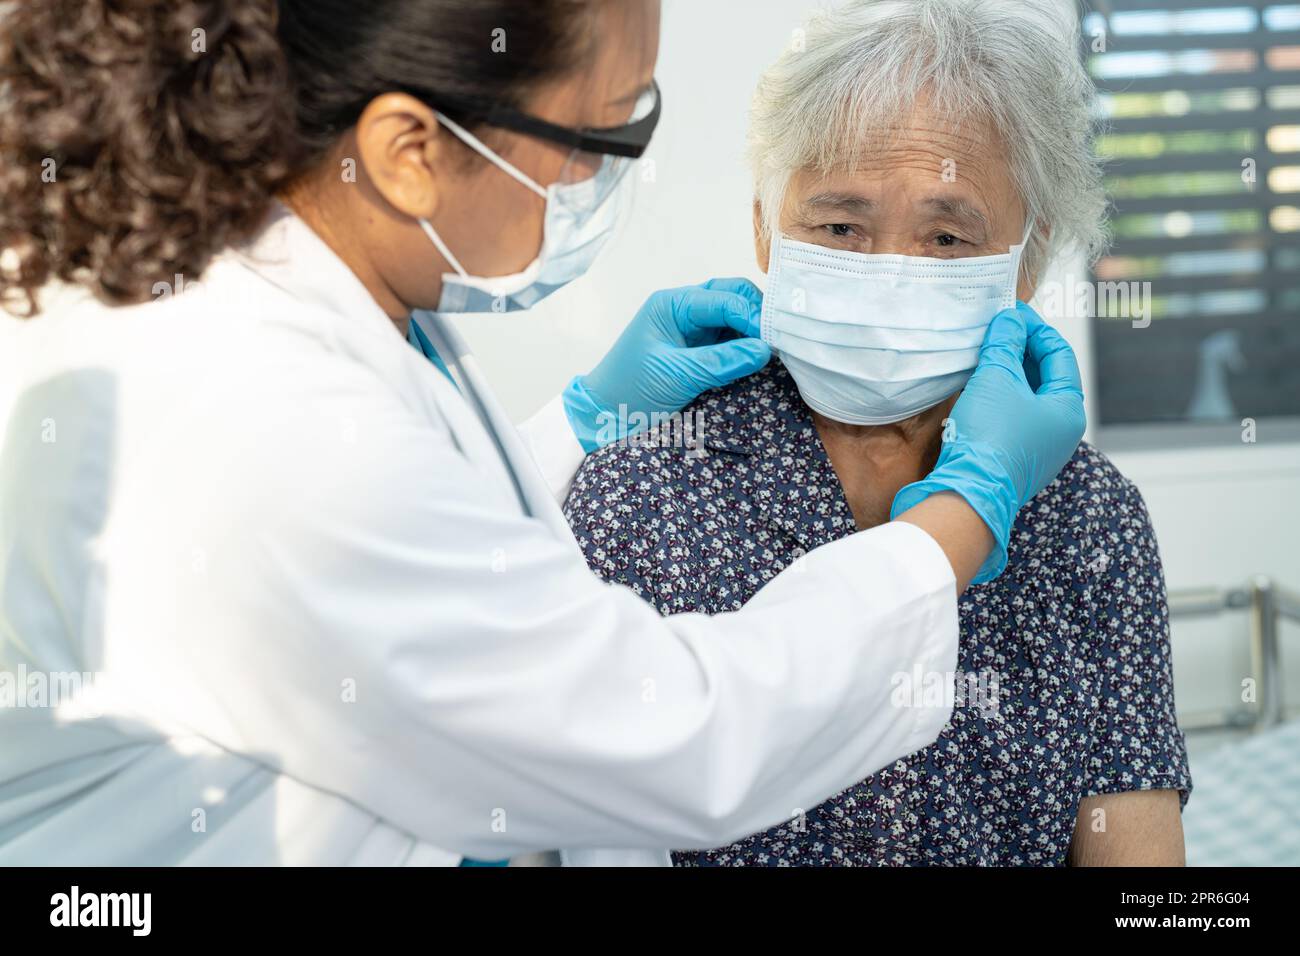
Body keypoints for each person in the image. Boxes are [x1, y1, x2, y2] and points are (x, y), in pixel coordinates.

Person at [0, 0, 1084, 865]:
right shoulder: (265, 412)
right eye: (600, 135)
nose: (599, 185)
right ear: (409, 149)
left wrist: (577, 422)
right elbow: (685, 736)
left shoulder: (332, 304)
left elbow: (438, 556)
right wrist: (962, 511)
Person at [562, 0, 1190, 866]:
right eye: (840, 226)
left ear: (1028, 262)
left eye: (946, 235)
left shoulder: (1088, 519)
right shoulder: (643, 488)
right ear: (764, 228)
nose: (889, 272)